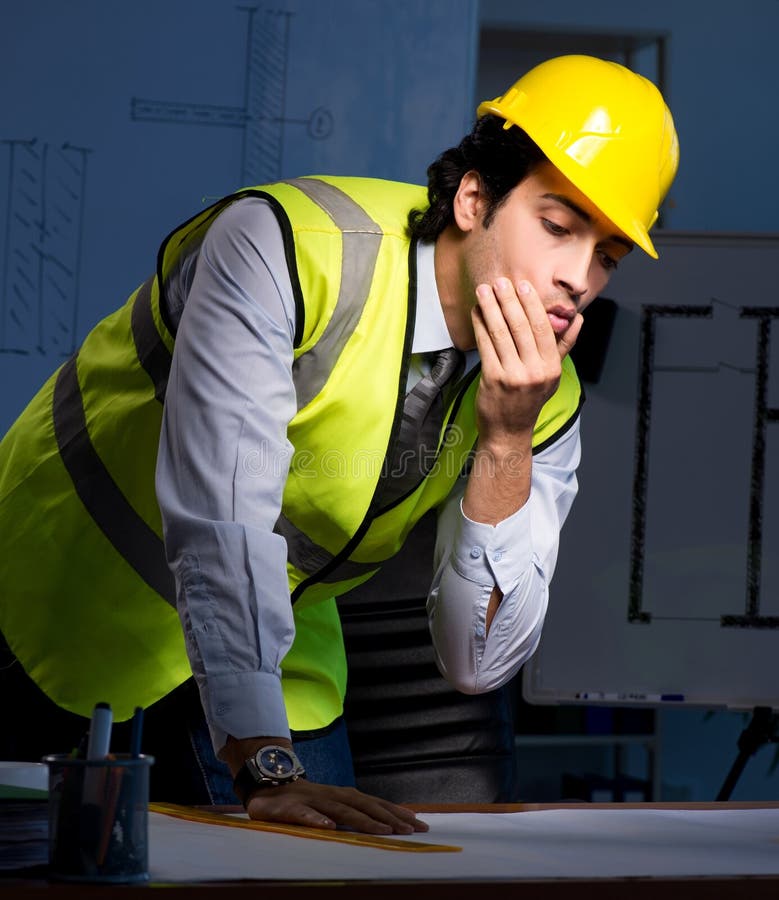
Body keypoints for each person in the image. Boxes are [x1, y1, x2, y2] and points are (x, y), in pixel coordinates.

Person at [0, 55, 678, 834]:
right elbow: (223, 512)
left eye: (605, 256)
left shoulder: (541, 398)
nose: (577, 278)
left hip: (281, 645)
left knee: (334, 865)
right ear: (472, 199)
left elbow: (477, 663)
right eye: (557, 227)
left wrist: (506, 438)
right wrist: (263, 760)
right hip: (58, 599)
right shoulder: (287, 249)